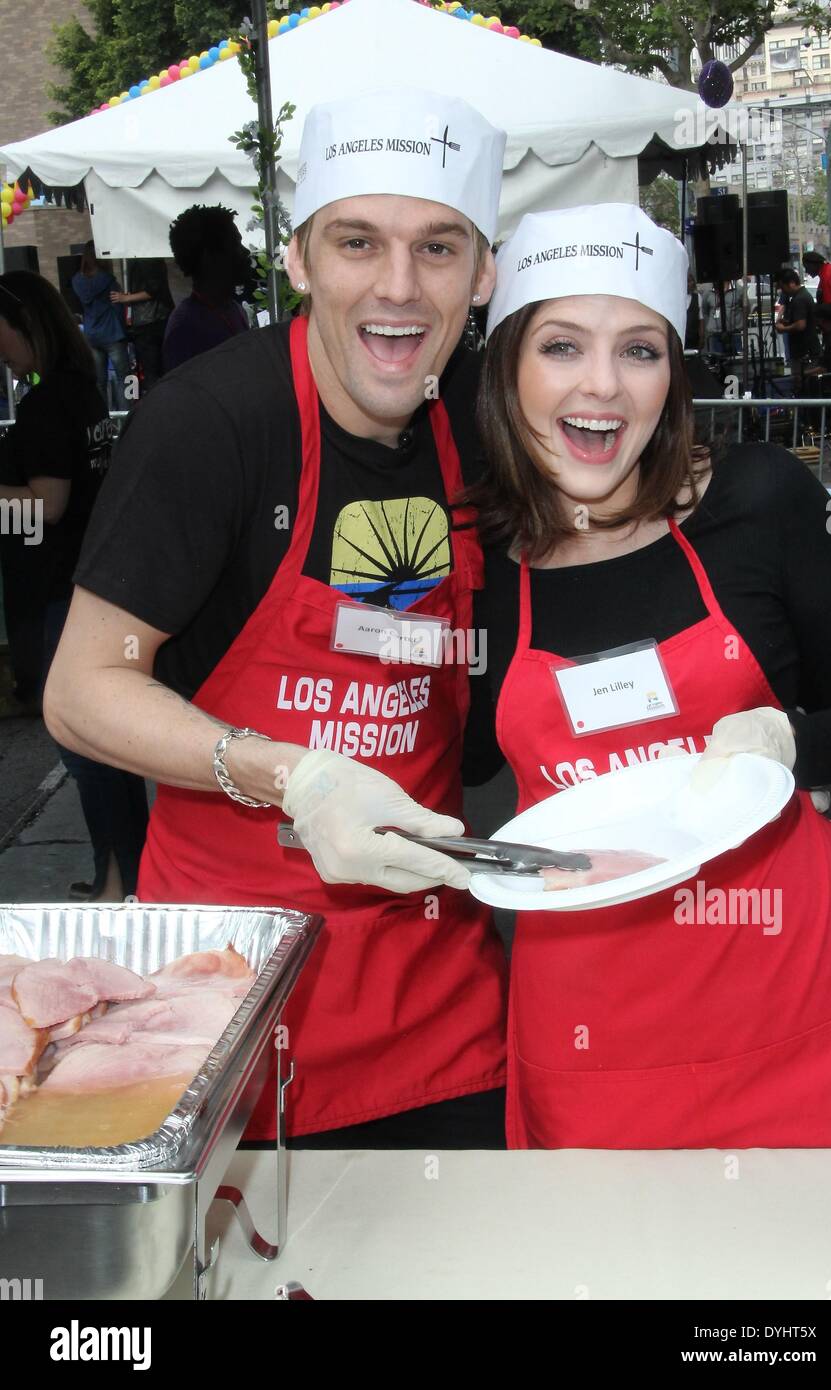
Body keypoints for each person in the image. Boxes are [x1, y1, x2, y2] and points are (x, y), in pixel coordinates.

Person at [44, 88, 509, 1148]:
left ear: (482, 273)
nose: (397, 288)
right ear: (296, 258)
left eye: (437, 249)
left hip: (434, 1011)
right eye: (357, 242)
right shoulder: (209, 425)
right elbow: (80, 689)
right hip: (226, 1007)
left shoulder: (483, 422)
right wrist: (293, 775)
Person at [462, 202, 831, 1149]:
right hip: (591, 1042)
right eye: (562, 346)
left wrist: (788, 740)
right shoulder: (476, 562)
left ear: (673, 375)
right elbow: (456, 757)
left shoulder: (761, 501)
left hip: (805, 1012)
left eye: (640, 350)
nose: (602, 386)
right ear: (508, 365)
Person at [0, 271, 149, 898]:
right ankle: (123, 876)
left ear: (24, 325)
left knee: (88, 754)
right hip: (90, 580)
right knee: (104, 756)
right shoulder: (82, 390)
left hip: (61, 587)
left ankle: (123, 882)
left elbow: (45, 507)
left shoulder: (46, 403)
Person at [162, 205, 252, 371]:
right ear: (209, 257)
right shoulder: (185, 327)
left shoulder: (234, 310)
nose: (245, 252)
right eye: (235, 244)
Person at [71, 243, 130, 412]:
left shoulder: (76, 281)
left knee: (99, 381)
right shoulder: (108, 280)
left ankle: (102, 420)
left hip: (91, 334)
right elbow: (118, 305)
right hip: (112, 333)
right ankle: (126, 416)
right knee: (124, 379)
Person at [111, 259, 174, 395]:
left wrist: (126, 298)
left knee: (151, 374)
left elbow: (152, 290)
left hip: (148, 323)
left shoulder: (144, 260)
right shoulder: (150, 258)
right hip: (156, 319)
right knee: (159, 370)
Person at [775, 268, 821, 391]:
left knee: (802, 384)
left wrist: (783, 329)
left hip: (805, 352)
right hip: (804, 351)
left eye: (783, 287)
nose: (783, 291)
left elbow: (801, 325)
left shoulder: (800, 299)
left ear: (791, 283)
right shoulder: (799, 297)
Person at [802, 250, 831, 366]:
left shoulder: (828, 275)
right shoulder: (830, 271)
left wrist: (813, 310)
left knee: (830, 363)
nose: (806, 271)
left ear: (813, 264)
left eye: (806, 267)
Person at [684, 272, 703, 352]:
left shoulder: (697, 297)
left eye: (691, 281)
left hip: (693, 338)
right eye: (687, 281)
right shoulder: (677, 299)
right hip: (681, 338)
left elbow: (701, 319)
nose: (689, 284)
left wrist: (702, 336)